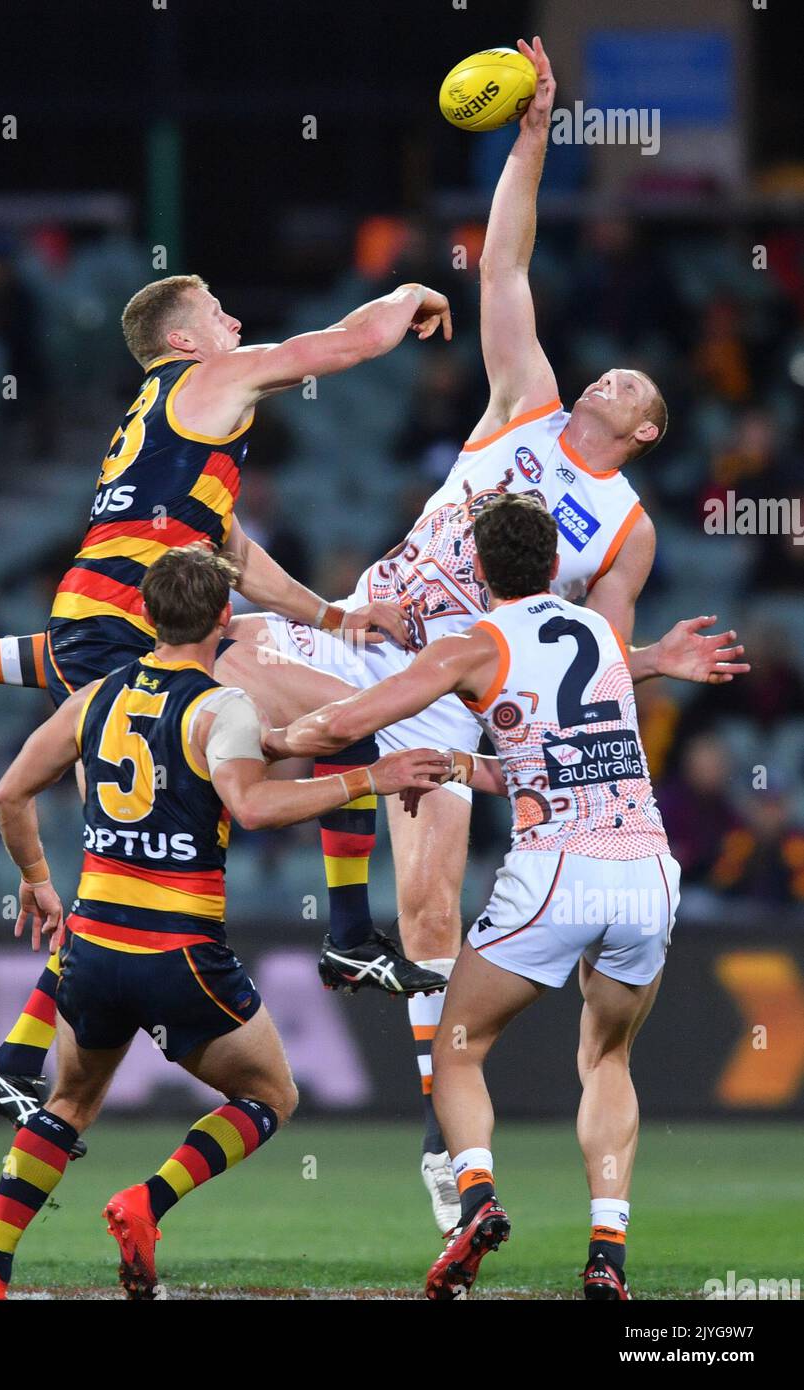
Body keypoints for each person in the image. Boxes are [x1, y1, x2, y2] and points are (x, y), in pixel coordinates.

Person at [227, 35, 747, 1232]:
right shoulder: (524, 401)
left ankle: (440, 1148)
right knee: (228, 660)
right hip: (371, 626)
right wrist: (533, 135)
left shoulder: (626, 531)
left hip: (464, 691)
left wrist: (656, 659)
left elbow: (595, 652)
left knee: (434, 915)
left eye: (631, 386)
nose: (610, 377)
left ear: (651, 428)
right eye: (608, 370)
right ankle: (340, 922)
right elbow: (503, 264)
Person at [0, 272, 456, 1126]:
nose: (236, 320)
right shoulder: (213, 381)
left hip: (109, 626)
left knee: (347, 727)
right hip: (128, 633)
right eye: (219, 312)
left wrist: (337, 618)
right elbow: (346, 345)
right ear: (185, 342)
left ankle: (348, 938)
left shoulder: (170, 429)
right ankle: (20, 1060)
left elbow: (234, 558)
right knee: (142, 868)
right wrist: (410, 291)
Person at [0, 544, 448, 1300]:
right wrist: (366, 777)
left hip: (91, 951)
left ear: (146, 616)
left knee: (68, 1103)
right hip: (181, 957)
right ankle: (145, 1203)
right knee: (270, 1096)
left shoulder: (94, 697)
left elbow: (8, 794)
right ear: (224, 616)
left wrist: (36, 882)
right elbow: (252, 804)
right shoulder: (223, 705)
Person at [269, 494, 681, 1300]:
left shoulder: (470, 646)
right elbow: (553, 755)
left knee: (456, 1048)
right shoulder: (599, 635)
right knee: (605, 1057)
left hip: (558, 867)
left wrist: (272, 738)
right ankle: (605, 1253)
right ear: (554, 567)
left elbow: (352, 719)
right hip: (647, 869)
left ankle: (478, 1199)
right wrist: (463, 767)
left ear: (479, 570)